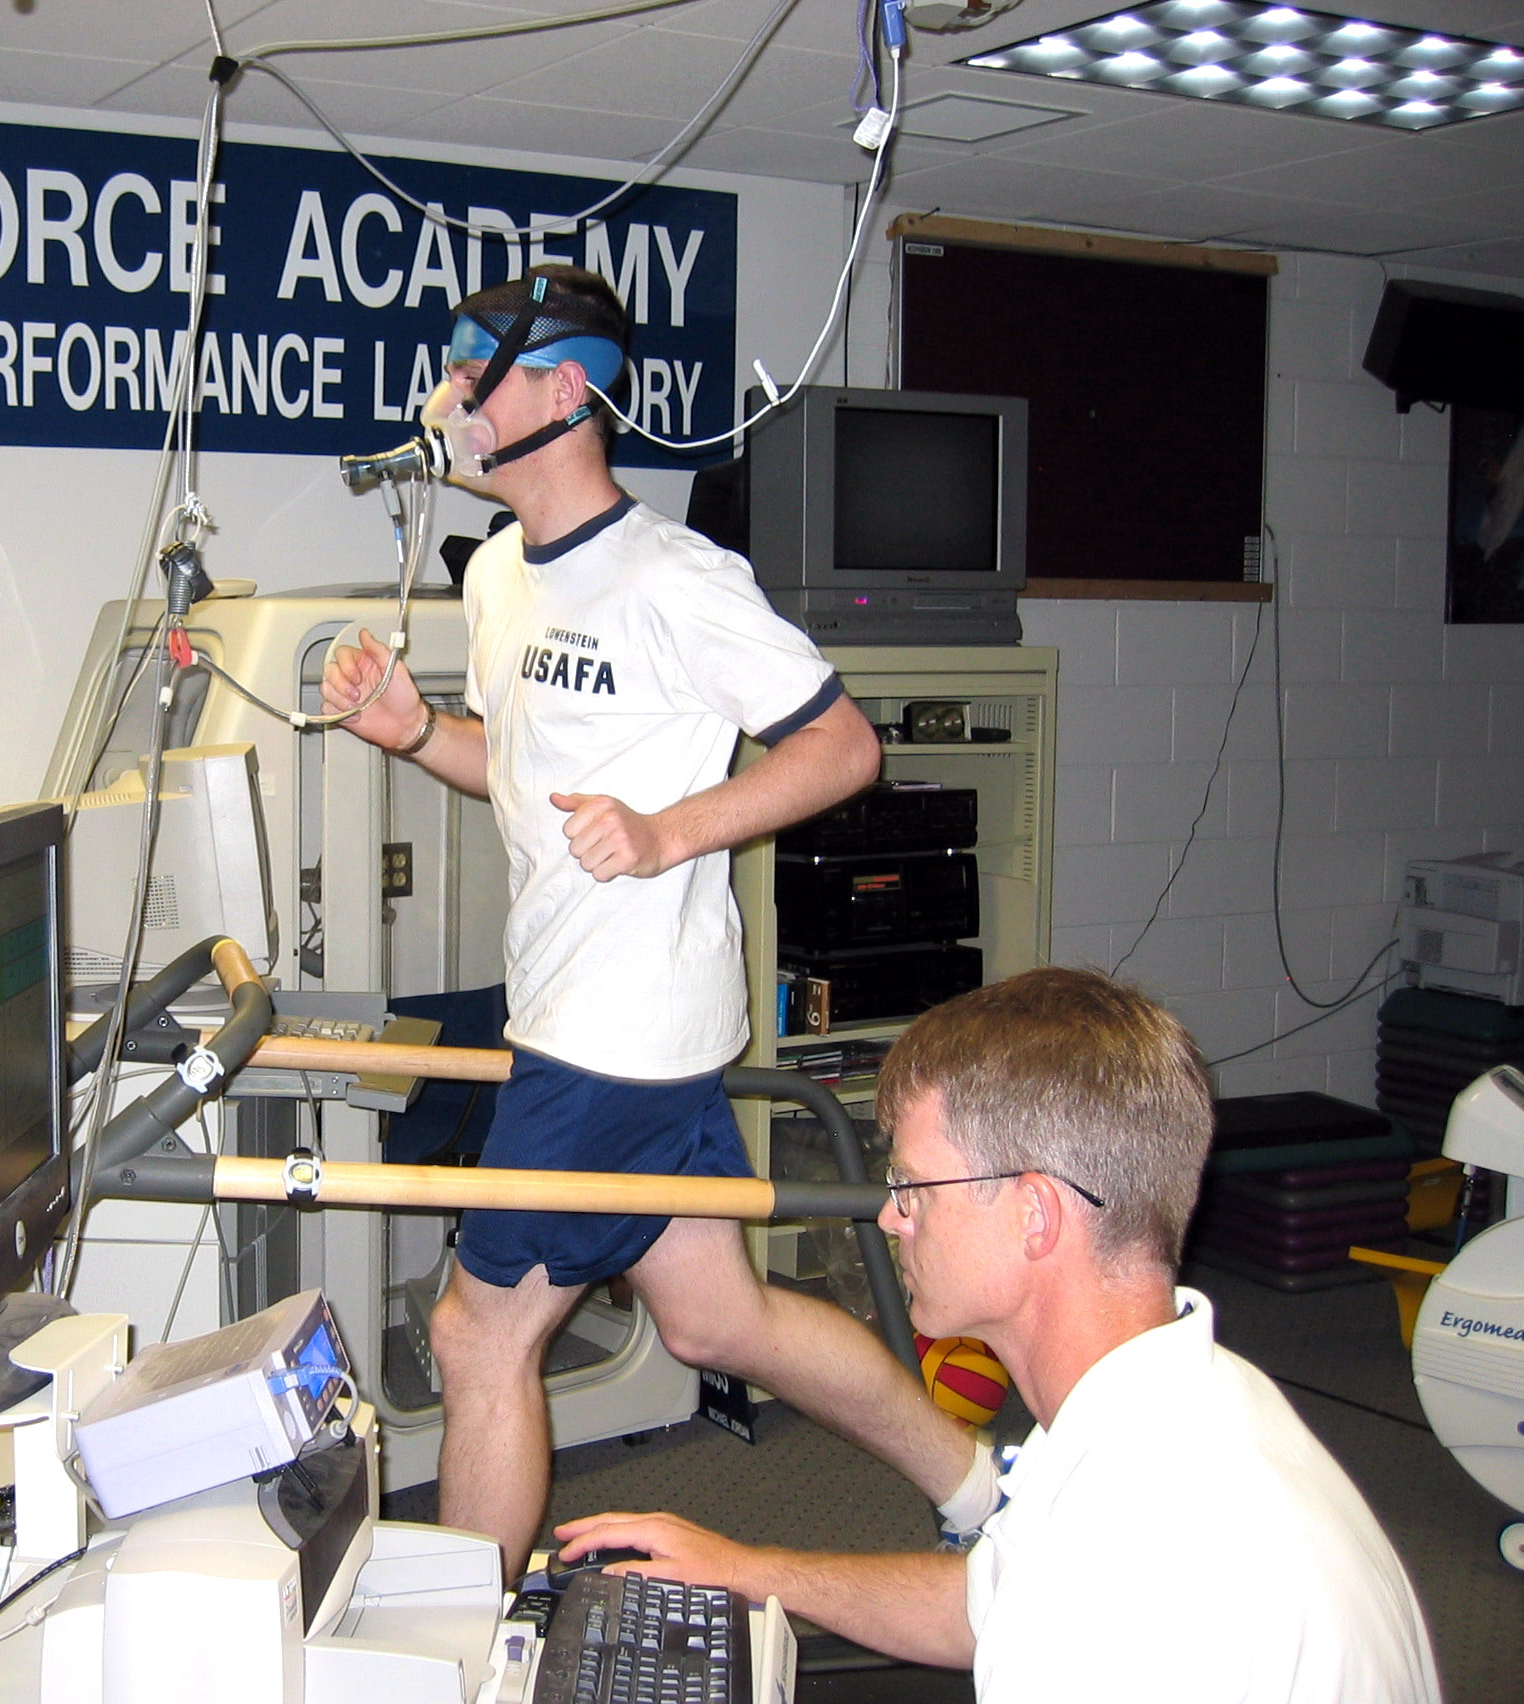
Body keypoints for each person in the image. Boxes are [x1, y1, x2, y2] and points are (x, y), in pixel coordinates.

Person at [319, 264, 987, 1583]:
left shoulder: (677, 577)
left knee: (478, 1336)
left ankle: (459, 1656)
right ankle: (979, 1489)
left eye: (476, 369)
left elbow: (843, 749)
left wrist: (670, 830)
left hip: (611, 1041)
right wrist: (412, 734)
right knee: (717, 1320)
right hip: (616, 1022)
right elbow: (521, 767)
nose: (450, 394)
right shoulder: (502, 575)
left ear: (567, 392)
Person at [557, 968, 1443, 1702]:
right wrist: (748, 1573)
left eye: (915, 1185)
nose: (894, 1219)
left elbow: (1055, 1612)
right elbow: (987, 1602)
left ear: (1034, 1217)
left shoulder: (1126, 1574)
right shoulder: (1189, 1394)